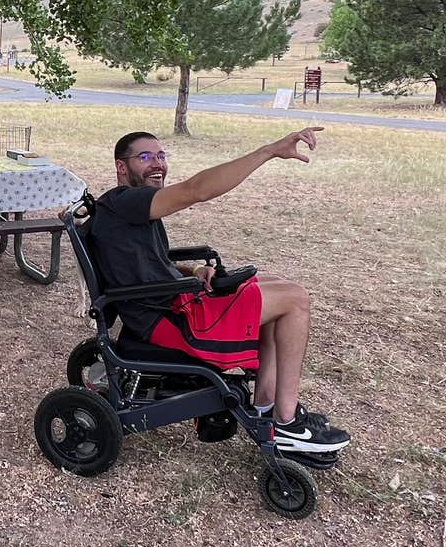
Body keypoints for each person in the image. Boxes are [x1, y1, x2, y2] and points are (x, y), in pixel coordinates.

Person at [91, 129, 350, 455]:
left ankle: (266, 406)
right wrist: (268, 150)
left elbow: (149, 263)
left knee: (275, 286)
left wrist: (195, 271)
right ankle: (286, 423)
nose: (156, 164)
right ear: (121, 167)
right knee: (295, 300)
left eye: (161, 156)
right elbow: (196, 190)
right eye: (145, 157)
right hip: (170, 320)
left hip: (174, 303)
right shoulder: (128, 201)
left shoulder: (129, 207)